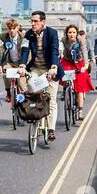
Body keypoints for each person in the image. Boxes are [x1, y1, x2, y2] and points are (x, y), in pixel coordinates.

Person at [24, 10, 62, 143]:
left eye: (36, 21)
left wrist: (53, 66)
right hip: (36, 68)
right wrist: (23, 65)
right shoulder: (29, 34)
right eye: (32, 21)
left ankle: (51, 129)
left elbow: (54, 50)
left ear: (43, 22)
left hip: (50, 69)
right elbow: (25, 50)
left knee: (51, 99)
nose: (33, 24)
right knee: (34, 92)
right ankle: (38, 124)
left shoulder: (52, 33)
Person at [0, 17, 29, 116]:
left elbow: (26, 51)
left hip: (21, 63)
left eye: (14, 28)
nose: (11, 30)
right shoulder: (3, 37)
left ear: (17, 28)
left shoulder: (24, 37)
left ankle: (25, 99)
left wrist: (23, 65)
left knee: (21, 82)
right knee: (6, 72)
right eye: (9, 28)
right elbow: (0, 51)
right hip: (9, 62)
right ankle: (8, 92)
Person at [61, 23, 93, 121]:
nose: (71, 34)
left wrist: (86, 65)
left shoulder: (81, 40)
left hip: (79, 62)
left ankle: (80, 111)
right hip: (67, 60)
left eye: (74, 32)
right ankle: (65, 90)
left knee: (79, 87)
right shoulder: (63, 40)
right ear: (66, 34)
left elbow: (84, 52)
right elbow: (60, 50)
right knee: (64, 74)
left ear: (76, 33)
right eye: (69, 32)